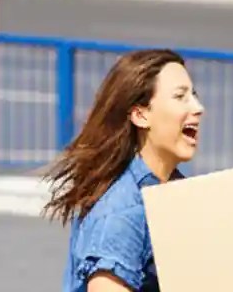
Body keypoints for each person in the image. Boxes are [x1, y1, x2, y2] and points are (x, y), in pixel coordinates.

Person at [42, 49, 205, 292]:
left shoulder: (172, 191)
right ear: (140, 115)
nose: (198, 107)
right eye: (180, 97)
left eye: (193, 95)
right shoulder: (120, 215)